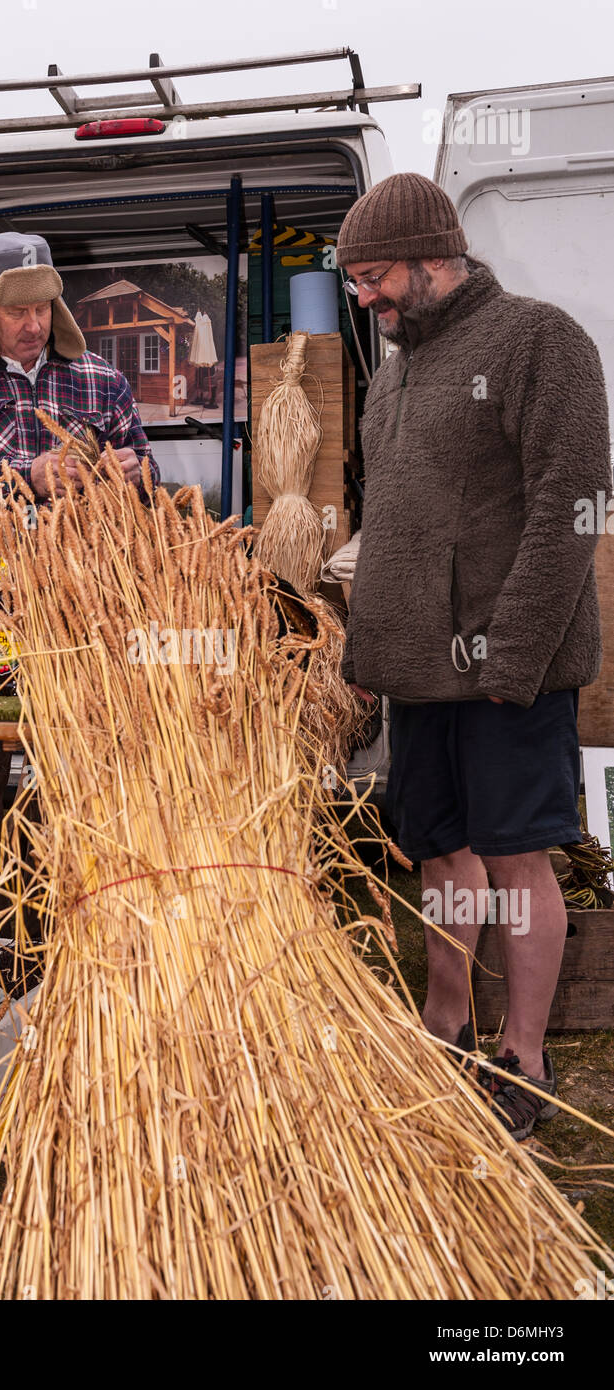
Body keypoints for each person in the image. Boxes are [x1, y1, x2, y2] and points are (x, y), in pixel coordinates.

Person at [335, 172, 610, 1139]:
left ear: (431, 258)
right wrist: (365, 643)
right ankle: (446, 1025)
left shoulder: (538, 341)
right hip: (417, 674)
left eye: (372, 276)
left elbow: (571, 506)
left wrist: (515, 657)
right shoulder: (396, 371)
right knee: (440, 853)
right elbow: (394, 523)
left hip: (505, 674)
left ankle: (521, 1059)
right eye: (352, 279)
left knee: (516, 858)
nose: (361, 295)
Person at [0, 231, 157, 928]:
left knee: (72, 779)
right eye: (17, 311)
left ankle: (67, 934)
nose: (33, 324)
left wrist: (131, 477)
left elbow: (144, 471)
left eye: (44, 308)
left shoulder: (99, 379)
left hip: (79, 621)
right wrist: (24, 477)